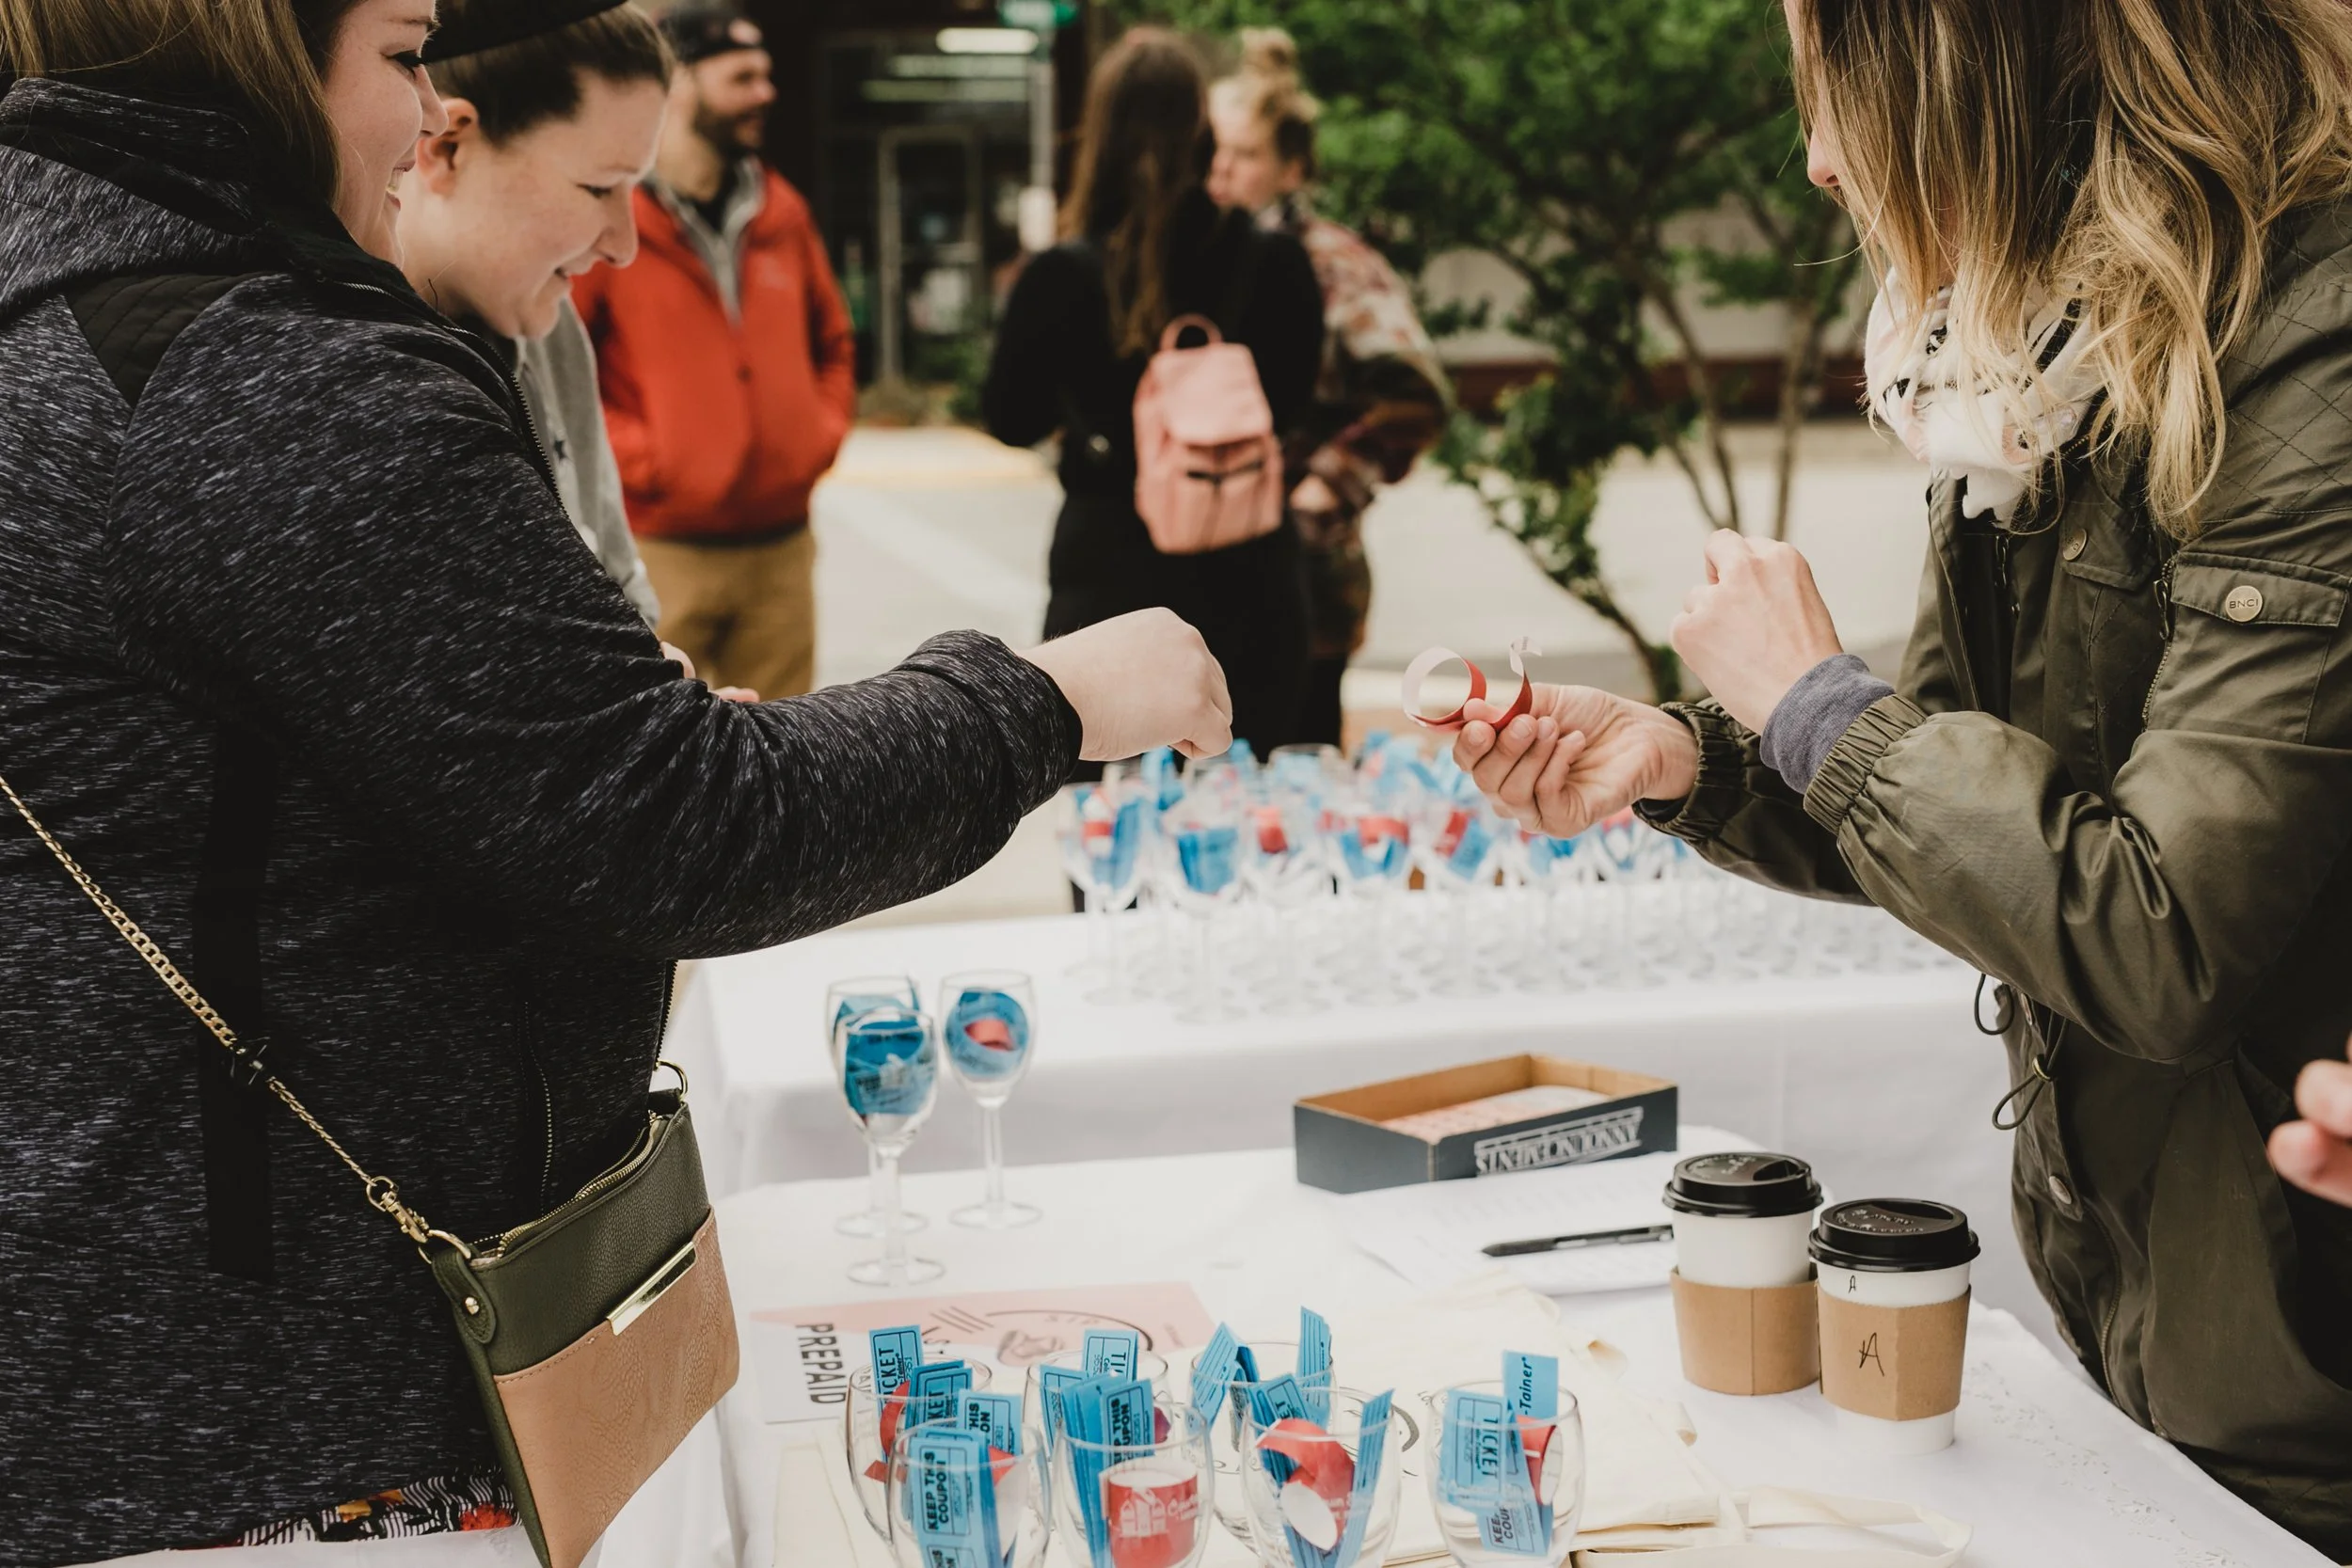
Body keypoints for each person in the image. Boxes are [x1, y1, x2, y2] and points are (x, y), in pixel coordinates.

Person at [0, 1, 1229, 1561]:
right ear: (261, 44)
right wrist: (1042, 699)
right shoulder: (252, 366)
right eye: (398, 56)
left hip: (156, 1345)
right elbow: (679, 819)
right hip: (285, 1421)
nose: (418, 113)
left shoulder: (75, 295)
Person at [1454, 0, 2352, 1551]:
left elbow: (2162, 933)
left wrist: (1816, 710)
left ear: (1974, 69)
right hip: (2160, 1312)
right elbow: (1960, 782)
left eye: (1835, 81)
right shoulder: (2033, 358)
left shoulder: (2301, 340)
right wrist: (1693, 761)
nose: (1814, 154)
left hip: (2302, 1363)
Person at [984, 28, 1327, 759]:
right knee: (1248, 823)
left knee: (1113, 830)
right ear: (1204, 135)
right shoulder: (1276, 259)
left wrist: (1092, 417)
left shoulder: (1063, 274)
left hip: (1109, 584)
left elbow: (1010, 416)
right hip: (1253, 571)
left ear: (1098, 137)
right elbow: (1294, 405)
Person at [571, 1, 851, 700]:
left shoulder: (784, 212)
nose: (767, 93)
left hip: (782, 547)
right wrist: (648, 461)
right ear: (683, 82)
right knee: (667, 763)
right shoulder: (614, 217)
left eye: (768, 75)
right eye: (744, 76)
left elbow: (835, 340)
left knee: (785, 762)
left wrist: (814, 437)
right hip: (664, 545)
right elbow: (569, 364)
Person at [1207, 29, 1451, 748]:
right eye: (1214, 151)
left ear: (1292, 168)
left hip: (1304, 575)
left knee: (1294, 775)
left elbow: (1416, 397)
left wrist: (1324, 486)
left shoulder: (1330, 264)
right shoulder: (1200, 251)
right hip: (1204, 569)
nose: (1222, 170)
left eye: (1246, 154)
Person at [396, 0, 667, 631]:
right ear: (449, 146)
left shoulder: (550, 330)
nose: (624, 246)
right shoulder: (326, 362)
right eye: (599, 188)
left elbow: (620, 582)